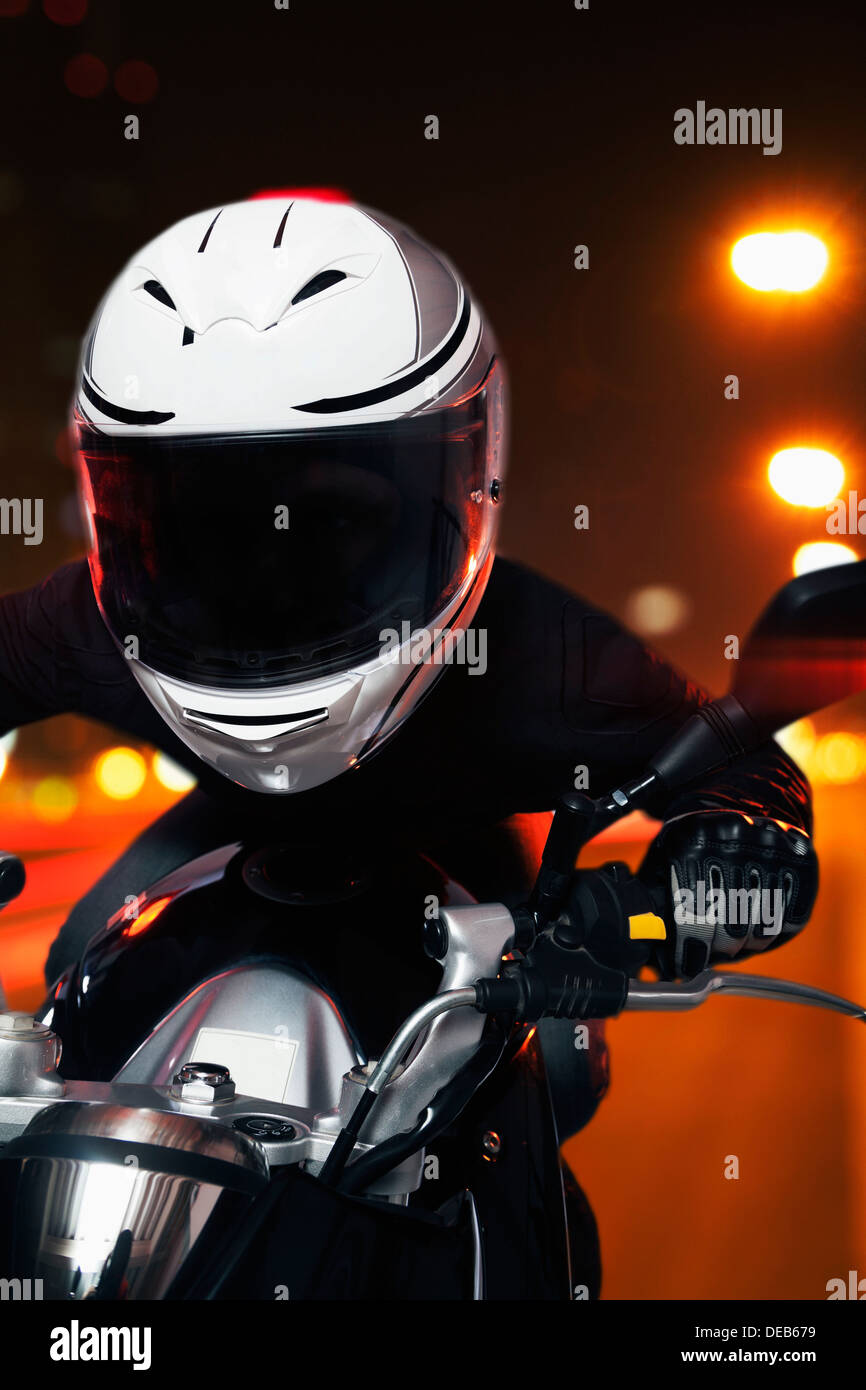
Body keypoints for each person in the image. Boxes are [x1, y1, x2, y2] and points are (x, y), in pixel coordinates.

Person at [0, 195, 817, 1289]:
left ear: (467, 489)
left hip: (477, 924)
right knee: (66, 998)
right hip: (196, 872)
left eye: (335, 517)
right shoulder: (87, 618)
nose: (267, 578)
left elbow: (744, 778)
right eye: (199, 524)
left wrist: (696, 878)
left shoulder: (540, 655)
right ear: (116, 516)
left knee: (549, 1086)